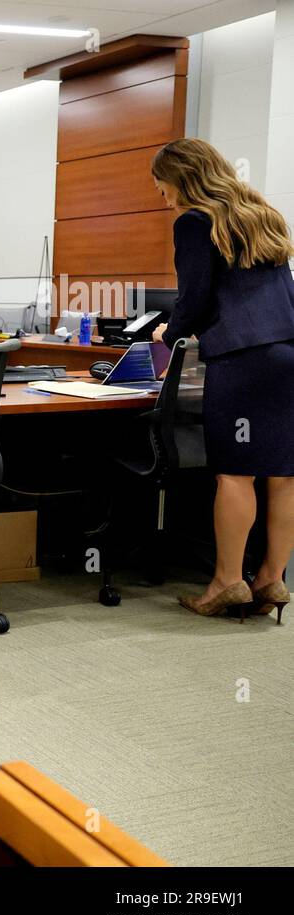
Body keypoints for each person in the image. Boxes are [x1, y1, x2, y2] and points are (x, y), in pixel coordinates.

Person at [149, 138, 294, 621]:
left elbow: (194, 294)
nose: (161, 196)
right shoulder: (261, 214)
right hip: (288, 353)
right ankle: (271, 578)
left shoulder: (194, 221)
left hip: (243, 358)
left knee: (235, 471)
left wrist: (171, 332)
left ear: (182, 177)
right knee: (283, 473)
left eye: (162, 185)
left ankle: (226, 583)